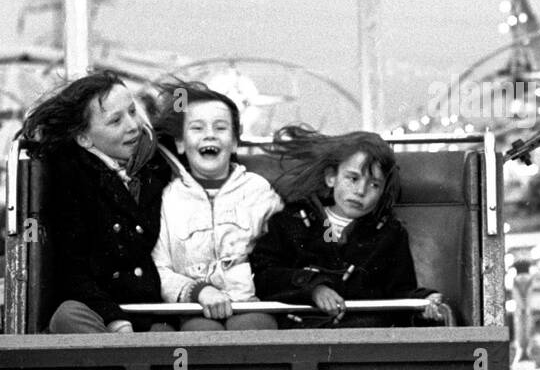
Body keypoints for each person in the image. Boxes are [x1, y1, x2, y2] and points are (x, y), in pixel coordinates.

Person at [250, 126, 452, 327]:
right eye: (353, 178)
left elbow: (399, 293)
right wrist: (313, 287)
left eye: (374, 185)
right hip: (302, 335)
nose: (360, 191)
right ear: (331, 177)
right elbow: (265, 276)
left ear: (383, 192)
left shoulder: (390, 234)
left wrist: (425, 302)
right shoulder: (291, 221)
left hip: (362, 338)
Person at [21, 71, 175, 334]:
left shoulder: (158, 163)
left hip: (152, 309)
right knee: (68, 315)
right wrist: (114, 319)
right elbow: (71, 269)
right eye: (116, 121)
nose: (132, 126)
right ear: (84, 138)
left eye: (132, 111)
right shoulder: (70, 182)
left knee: (164, 337)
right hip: (102, 310)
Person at [150, 83, 284, 332]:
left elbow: (282, 255)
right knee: (200, 335)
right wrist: (198, 292)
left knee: (252, 329)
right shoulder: (168, 199)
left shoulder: (259, 192)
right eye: (197, 128)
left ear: (234, 142)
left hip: (251, 306)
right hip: (192, 310)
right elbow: (159, 269)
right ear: (180, 143)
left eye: (220, 128)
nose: (209, 135)